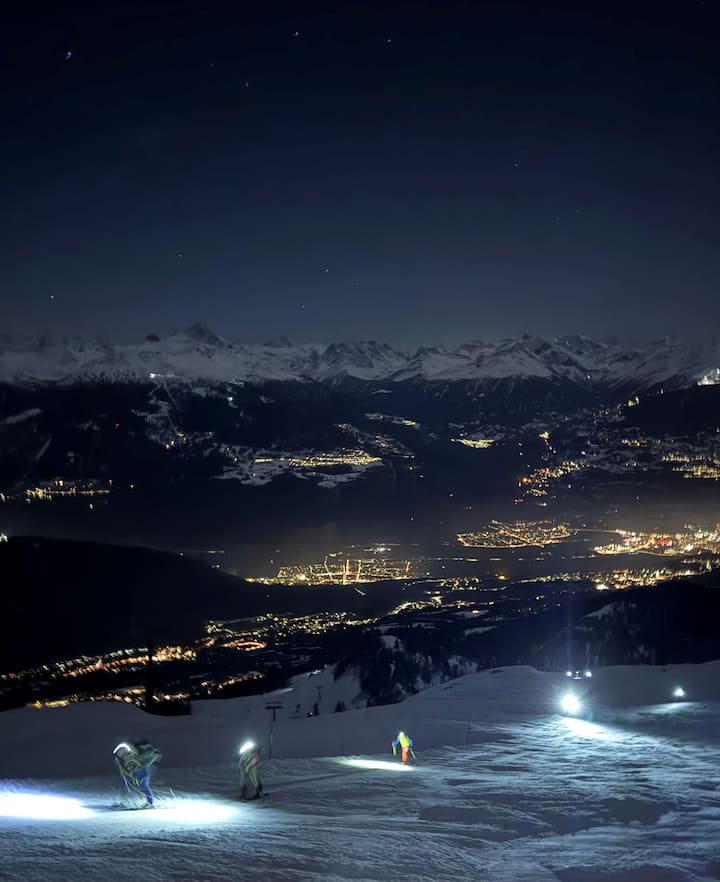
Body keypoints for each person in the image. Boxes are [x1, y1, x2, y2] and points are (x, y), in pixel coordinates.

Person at [113, 740, 162, 807]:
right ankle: (124, 802)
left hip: (141, 771)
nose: (118, 754)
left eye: (119, 752)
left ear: (124, 751)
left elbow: (136, 760)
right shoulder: (125, 759)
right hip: (137, 773)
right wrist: (120, 765)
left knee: (143, 786)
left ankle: (150, 803)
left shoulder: (131, 754)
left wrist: (126, 744)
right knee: (140, 786)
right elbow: (129, 768)